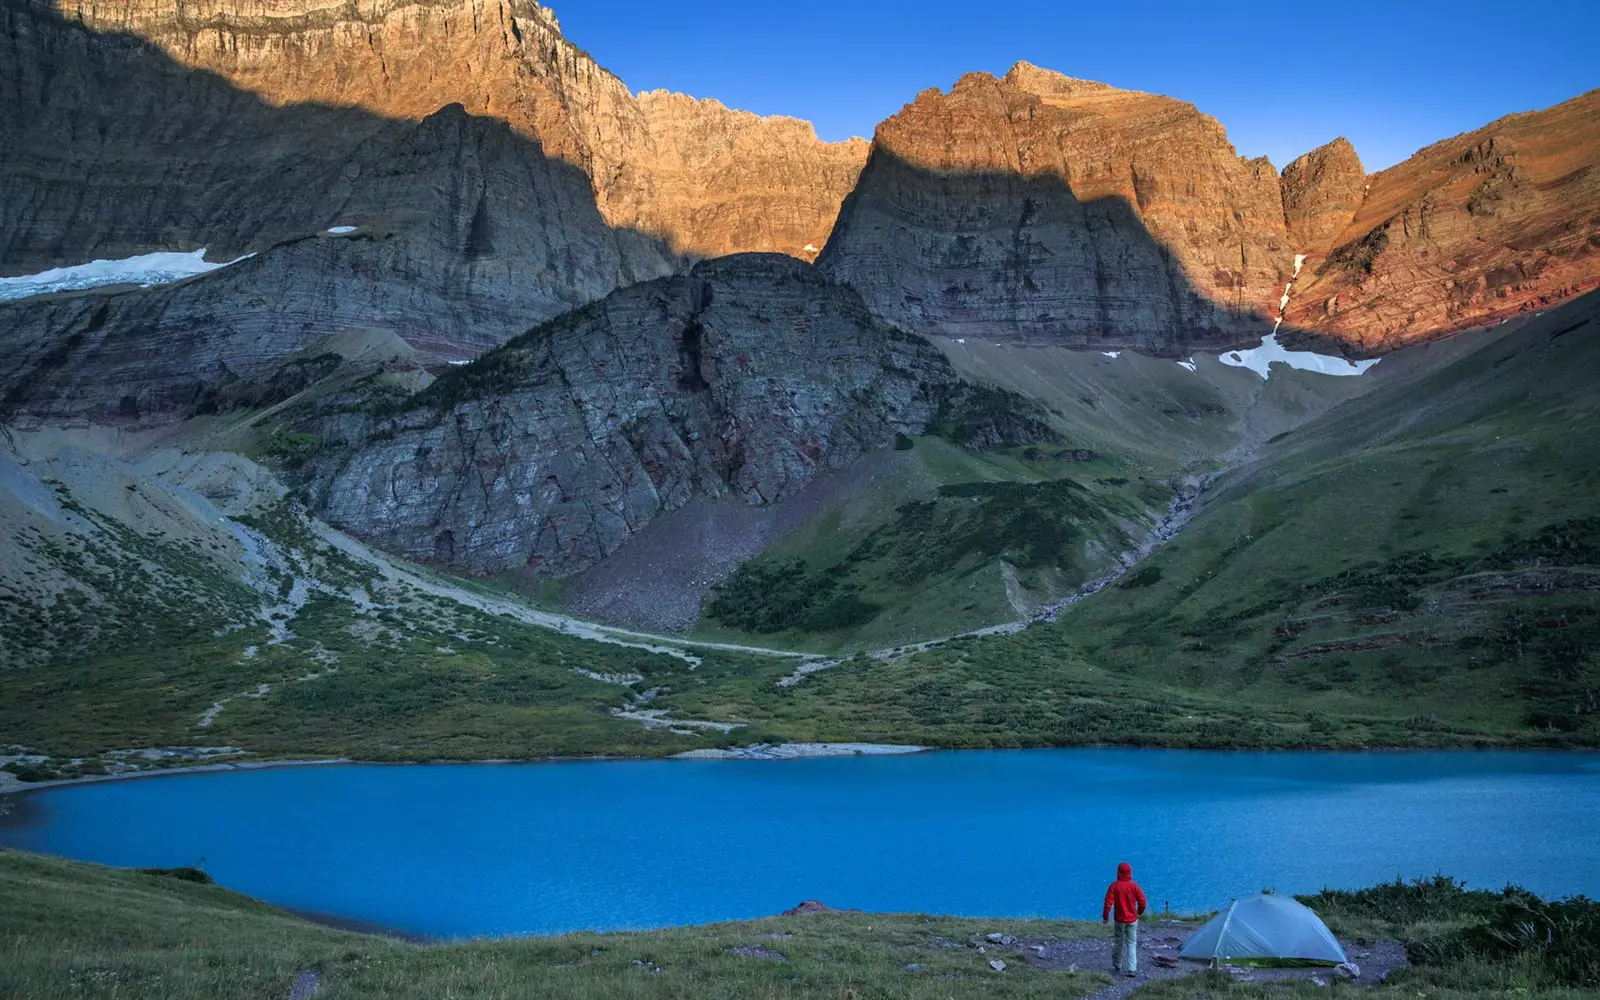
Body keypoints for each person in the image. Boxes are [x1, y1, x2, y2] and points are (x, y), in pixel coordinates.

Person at [1102, 861, 1147, 977]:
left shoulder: (1114, 886)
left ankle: (1117, 964)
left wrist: (1106, 917)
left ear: (1118, 873)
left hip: (1119, 920)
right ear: (1130, 873)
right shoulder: (1134, 886)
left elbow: (1108, 904)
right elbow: (1142, 902)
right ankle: (1132, 968)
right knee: (1131, 943)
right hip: (1132, 920)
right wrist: (1138, 912)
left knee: (1118, 941)